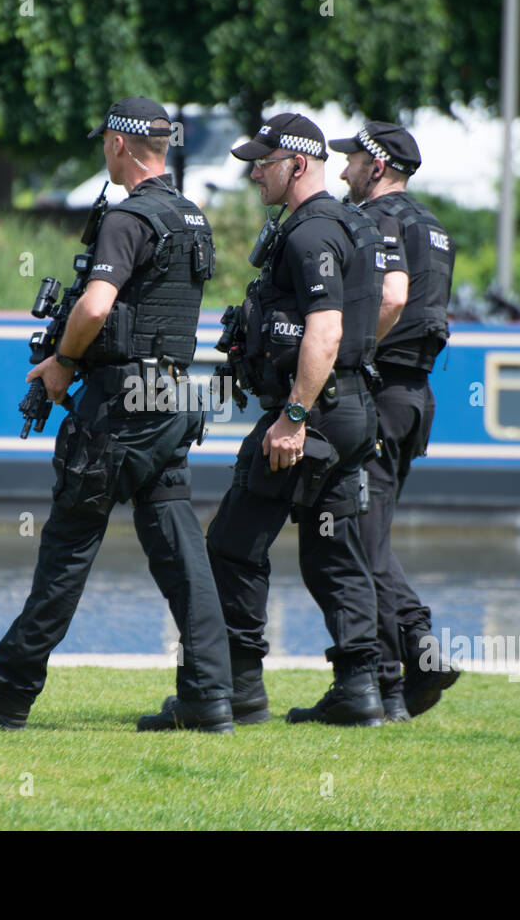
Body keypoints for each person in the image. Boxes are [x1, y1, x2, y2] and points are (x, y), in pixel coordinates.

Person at [0, 97, 234, 732]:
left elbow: (95, 308)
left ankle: (10, 686)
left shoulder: (128, 219)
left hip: (117, 411)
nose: (103, 152)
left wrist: (63, 361)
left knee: (67, 547)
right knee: (183, 553)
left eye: (105, 143)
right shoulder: (192, 218)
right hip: (173, 401)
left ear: (121, 146)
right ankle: (209, 697)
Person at [204, 112, 386, 726]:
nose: (255, 173)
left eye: (265, 162)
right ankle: (359, 691)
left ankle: (240, 690)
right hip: (353, 409)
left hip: (312, 418)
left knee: (231, 544)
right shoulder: (353, 224)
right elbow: (379, 309)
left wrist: (295, 415)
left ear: (297, 164)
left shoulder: (310, 235)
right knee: (332, 552)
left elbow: (326, 329)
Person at [330, 122, 460, 721]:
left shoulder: (380, 221)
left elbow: (391, 299)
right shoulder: (433, 226)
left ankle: (404, 666)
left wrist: (349, 353)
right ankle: (403, 671)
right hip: (416, 396)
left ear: (377, 166)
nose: (344, 170)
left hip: (382, 395)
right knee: (369, 533)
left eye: (353, 159)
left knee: (359, 538)